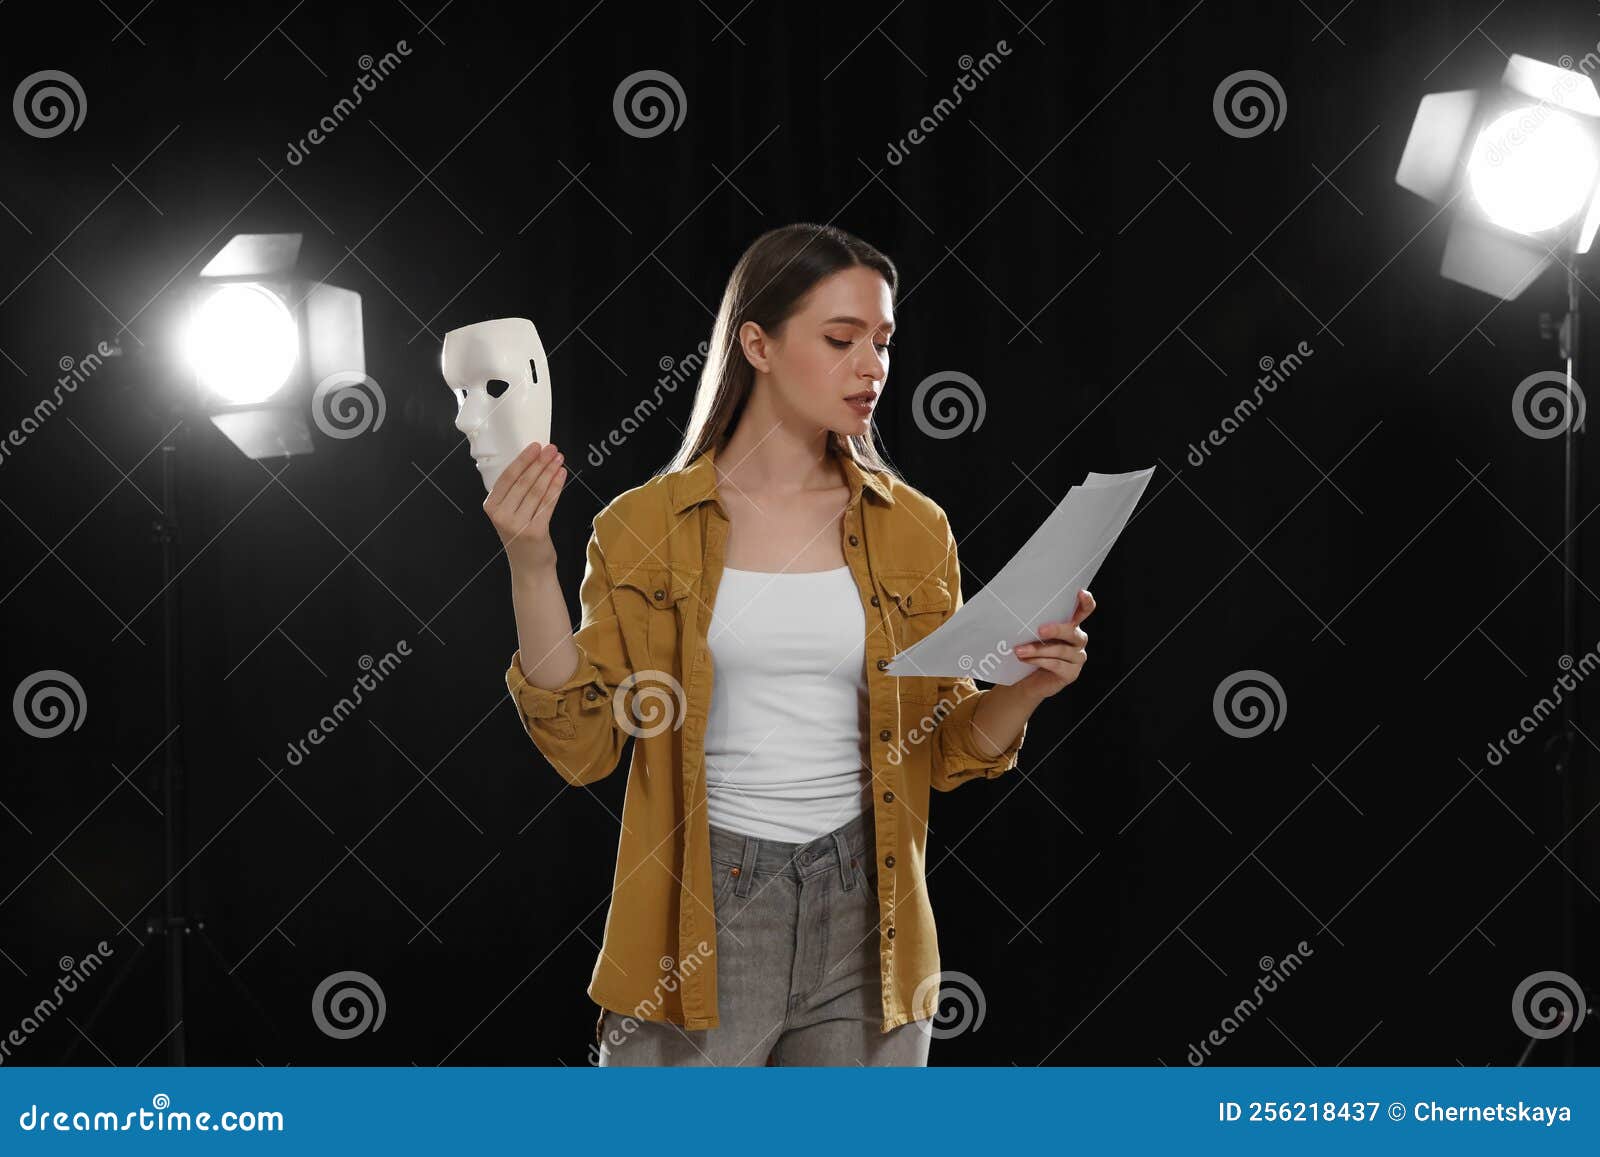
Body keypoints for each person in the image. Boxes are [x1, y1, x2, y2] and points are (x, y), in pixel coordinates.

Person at [486, 222, 1094, 1066]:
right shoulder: (642, 527)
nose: (872, 366)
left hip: (869, 917)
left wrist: (1029, 686)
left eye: (882, 341)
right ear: (757, 344)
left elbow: (948, 751)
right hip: (700, 910)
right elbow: (586, 744)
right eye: (841, 339)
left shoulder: (915, 530)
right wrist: (530, 565)